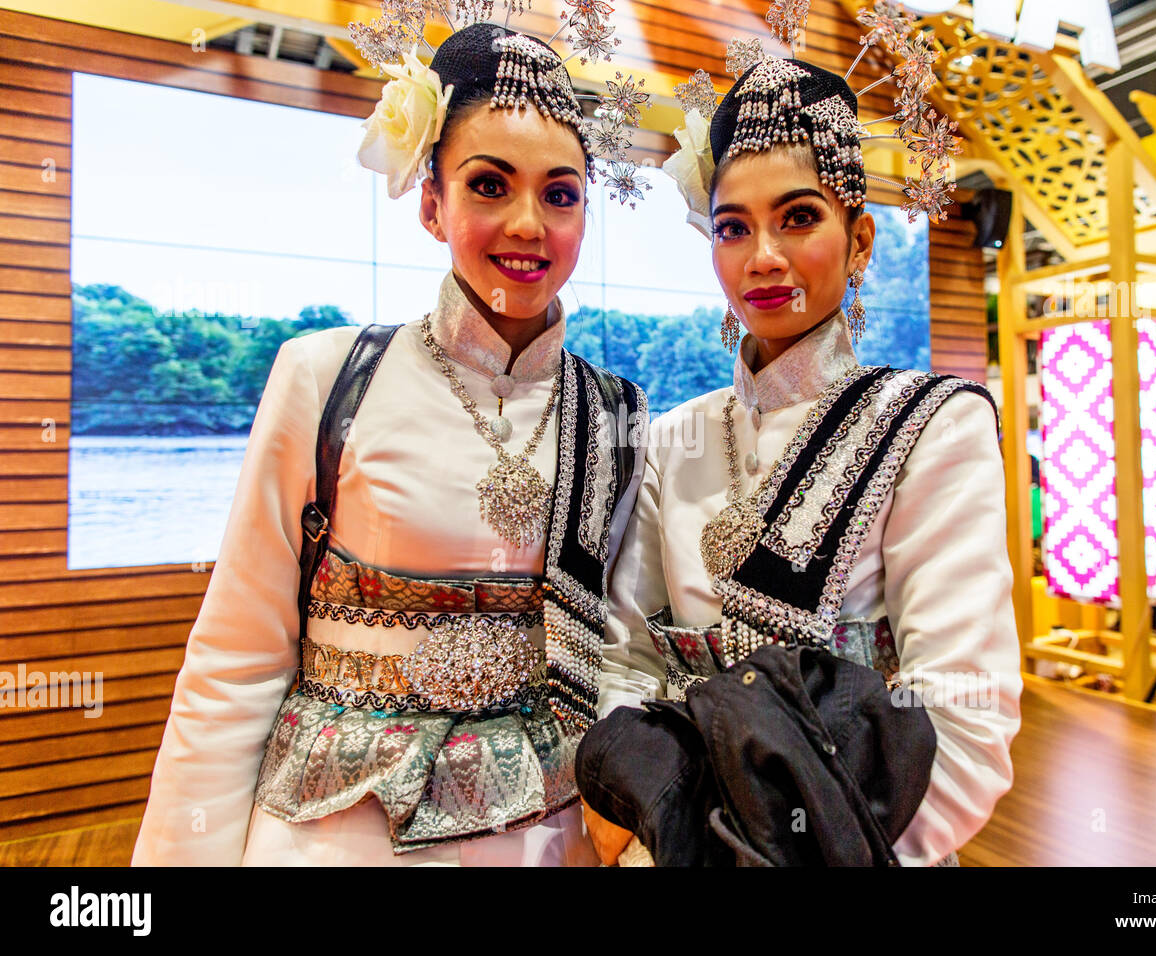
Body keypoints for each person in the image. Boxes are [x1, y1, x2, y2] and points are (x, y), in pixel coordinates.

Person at [132, 8, 649, 866]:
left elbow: (621, 647)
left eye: (559, 194)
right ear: (432, 203)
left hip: (545, 837)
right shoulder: (327, 375)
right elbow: (237, 655)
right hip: (334, 835)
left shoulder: (617, 412)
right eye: (489, 184)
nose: (528, 223)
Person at [585, 5, 1023, 866]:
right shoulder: (674, 440)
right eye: (733, 227)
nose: (764, 257)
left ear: (859, 239)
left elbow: (964, 718)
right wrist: (649, 823)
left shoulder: (933, 427)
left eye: (799, 217)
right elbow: (628, 663)